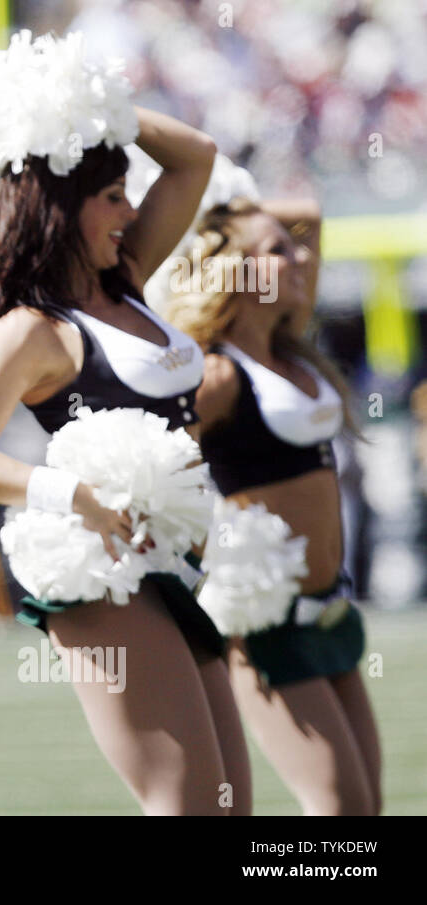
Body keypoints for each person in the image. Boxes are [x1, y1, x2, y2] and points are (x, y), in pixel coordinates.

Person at [0, 32, 250, 814]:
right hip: (102, 563)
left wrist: (82, 105)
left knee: (228, 800)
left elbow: (195, 155)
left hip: (174, 556)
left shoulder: (129, 274)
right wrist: (74, 495)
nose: (131, 210)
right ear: (63, 205)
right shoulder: (32, 330)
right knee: (187, 799)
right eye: (112, 194)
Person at [163, 196, 382, 815]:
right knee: (339, 814)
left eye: (293, 248)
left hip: (332, 611)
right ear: (237, 270)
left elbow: (311, 211)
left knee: (362, 815)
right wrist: (213, 549)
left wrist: (231, 203)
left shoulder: (288, 346)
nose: (301, 257)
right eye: (278, 251)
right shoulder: (217, 374)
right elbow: (157, 462)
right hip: (268, 624)